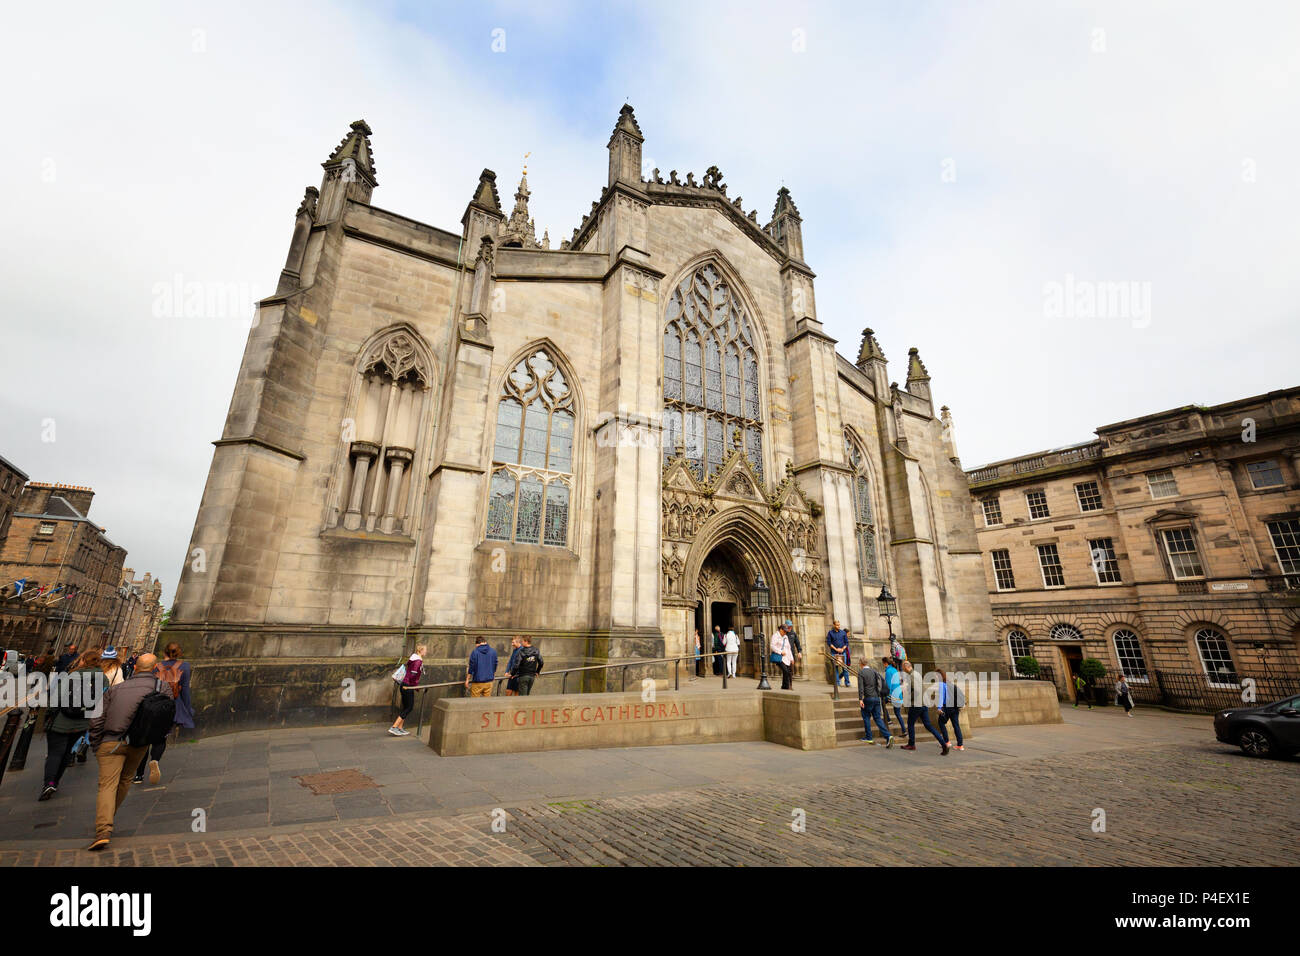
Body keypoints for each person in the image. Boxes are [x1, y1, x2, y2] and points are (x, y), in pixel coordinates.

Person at [87, 652, 173, 851]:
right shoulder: (162, 687)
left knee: (107, 785)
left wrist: (95, 742)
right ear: (154, 668)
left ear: (135, 667)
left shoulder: (116, 689)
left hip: (110, 740)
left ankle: (103, 828)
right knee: (125, 780)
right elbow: (166, 715)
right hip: (139, 743)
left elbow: (96, 718)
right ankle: (107, 820)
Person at [39, 652, 104, 801]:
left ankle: (49, 783)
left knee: (55, 753)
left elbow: (55, 699)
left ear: (83, 661)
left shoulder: (71, 676)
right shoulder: (101, 679)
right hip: (81, 724)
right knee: (67, 752)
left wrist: (48, 715)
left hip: (61, 721)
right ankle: (55, 782)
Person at [133, 643, 194, 783]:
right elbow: (184, 690)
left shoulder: (157, 666)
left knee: (145, 739)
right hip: (171, 705)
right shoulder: (184, 666)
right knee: (161, 738)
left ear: (164, 652)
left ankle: (139, 775)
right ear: (179, 652)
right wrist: (188, 708)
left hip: (152, 704)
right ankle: (154, 760)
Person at [900, 660, 948, 755]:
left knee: (910, 723)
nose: (902, 669)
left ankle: (911, 744)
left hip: (916, 704)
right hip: (924, 703)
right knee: (928, 725)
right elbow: (923, 688)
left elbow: (917, 690)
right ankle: (943, 744)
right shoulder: (917, 674)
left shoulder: (911, 676)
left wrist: (907, 696)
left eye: (902, 667)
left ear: (906, 667)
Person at [388, 643, 426, 737]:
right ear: (420, 651)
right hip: (408, 686)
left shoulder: (413, 659)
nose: (426, 651)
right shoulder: (418, 661)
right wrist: (415, 686)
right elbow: (413, 675)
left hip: (404, 685)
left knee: (406, 707)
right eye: (425, 650)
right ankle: (394, 727)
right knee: (409, 707)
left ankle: (400, 728)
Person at [857, 660, 894, 748]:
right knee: (877, 718)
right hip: (877, 698)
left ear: (861, 664)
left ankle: (869, 737)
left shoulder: (861, 672)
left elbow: (861, 687)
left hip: (868, 698)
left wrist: (860, 699)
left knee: (866, 716)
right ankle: (888, 736)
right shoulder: (874, 671)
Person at [936, 668, 964, 752]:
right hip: (955, 708)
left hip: (947, 707)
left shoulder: (941, 684)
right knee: (956, 725)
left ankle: (947, 742)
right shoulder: (948, 683)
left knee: (941, 723)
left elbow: (941, 697)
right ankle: (960, 745)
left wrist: (939, 708)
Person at [826, 620, 851, 688]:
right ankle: (837, 682)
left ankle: (847, 682)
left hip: (843, 652)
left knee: (845, 668)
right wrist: (836, 649)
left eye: (839, 625)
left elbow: (846, 642)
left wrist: (842, 649)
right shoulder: (830, 633)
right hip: (834, 653)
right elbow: (829, 643)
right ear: (834, 625)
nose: (838, 626)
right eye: (837, 625)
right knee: (835, 668)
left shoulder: (843, 633)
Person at [884, 656, 905, 732]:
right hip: (899, 694)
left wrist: (888, 696)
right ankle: (904, 730)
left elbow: (888, 685)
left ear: (886, 663)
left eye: (883, 664)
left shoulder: (888, 671)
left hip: (893, 695)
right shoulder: (895, 670)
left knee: (881, 703)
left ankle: (889, 720)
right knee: (898, 713)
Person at [771, 624, 794, 690]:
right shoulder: (775, 636)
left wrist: (791, 658)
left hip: (786, 657)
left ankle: (784, 686)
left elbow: (788, 648)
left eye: (786, 632)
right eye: (784, 631)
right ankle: (787, 686)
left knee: (788, 671)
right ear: (781, 629)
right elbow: (772, 646)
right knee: (785, 670)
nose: (785, 633)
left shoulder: (785, 637)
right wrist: (780, 651)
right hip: (779, 656)